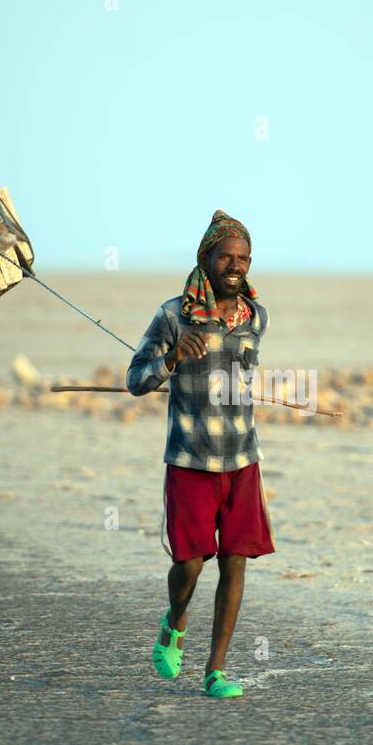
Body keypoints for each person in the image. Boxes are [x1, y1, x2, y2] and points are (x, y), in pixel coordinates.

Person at [126, 209, 275, 698]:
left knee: (236, 559)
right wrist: (172, 358)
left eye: (244, 258)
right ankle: (174, 622)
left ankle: (215, 671)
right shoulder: (173, 315)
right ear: (206, 258)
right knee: (190, 564)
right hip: (190, 461)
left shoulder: (257, 317)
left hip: (242, 461)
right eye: (226, 257)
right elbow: (136, 381)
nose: (236, 265)